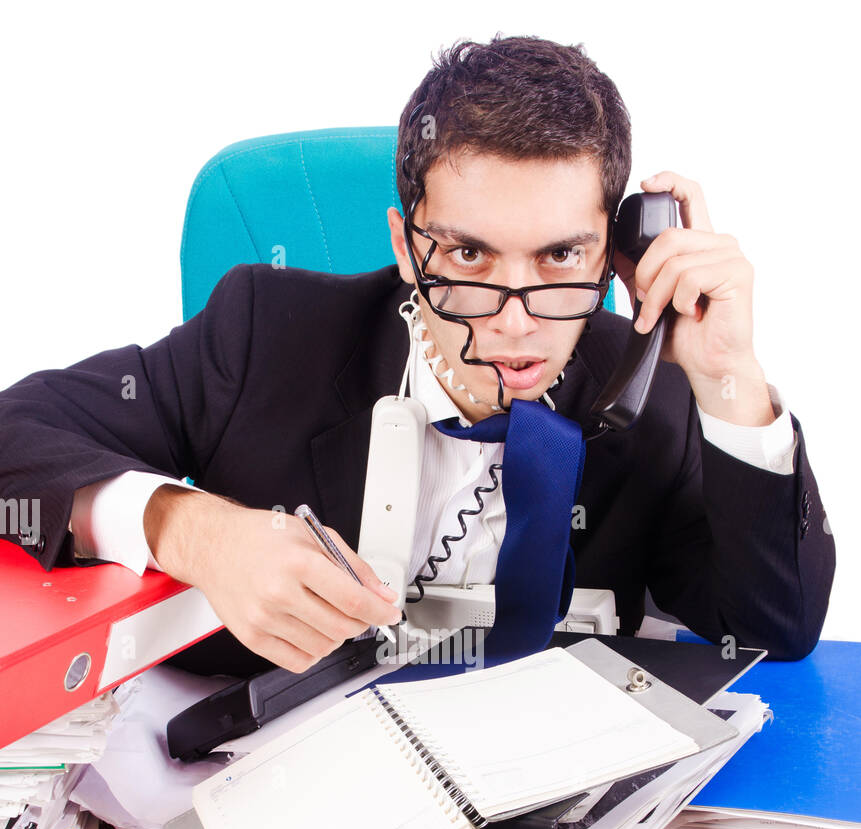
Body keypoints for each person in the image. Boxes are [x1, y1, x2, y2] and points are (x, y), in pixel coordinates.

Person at [0, 35, 834, 678]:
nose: (512, 323)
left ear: (613, 252)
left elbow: (771, 630)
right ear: (405, 244)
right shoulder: (267, 330)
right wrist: (192, 531)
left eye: (557, 258)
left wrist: (729, 376)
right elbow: (17, 436)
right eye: (468, 257)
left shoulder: (662, 391)